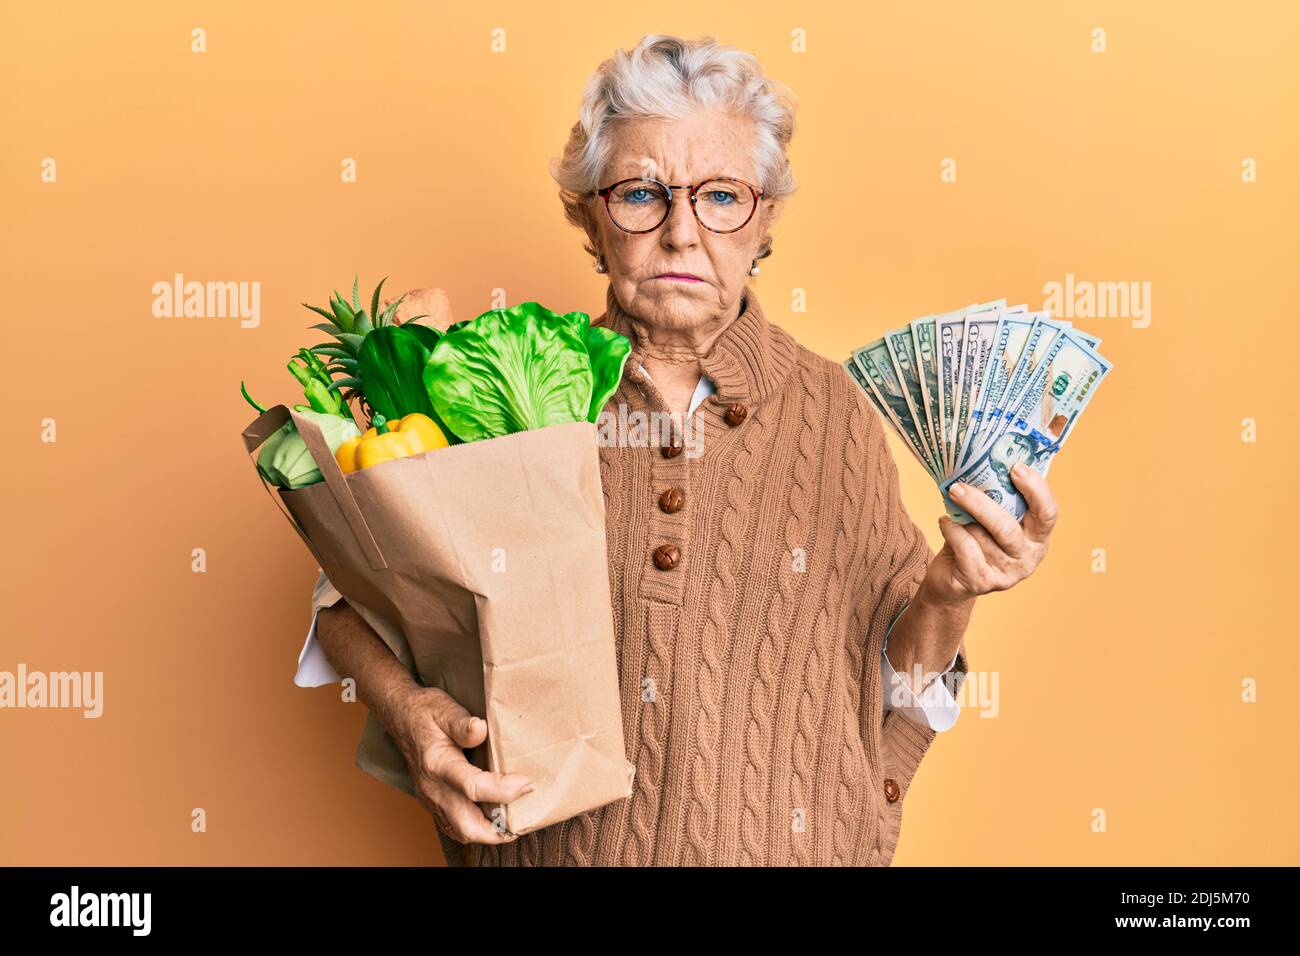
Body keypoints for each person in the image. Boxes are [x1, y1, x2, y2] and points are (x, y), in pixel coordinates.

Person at [307, 33, 1058, 866]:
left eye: (722, 196)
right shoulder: (514, 387)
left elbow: (902, 692)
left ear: (764, 217)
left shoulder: (837, 412)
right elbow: (346, 603)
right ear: (589, 215)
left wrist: (951, 594)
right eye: (639, 193)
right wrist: (414, 720)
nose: (681, 233)